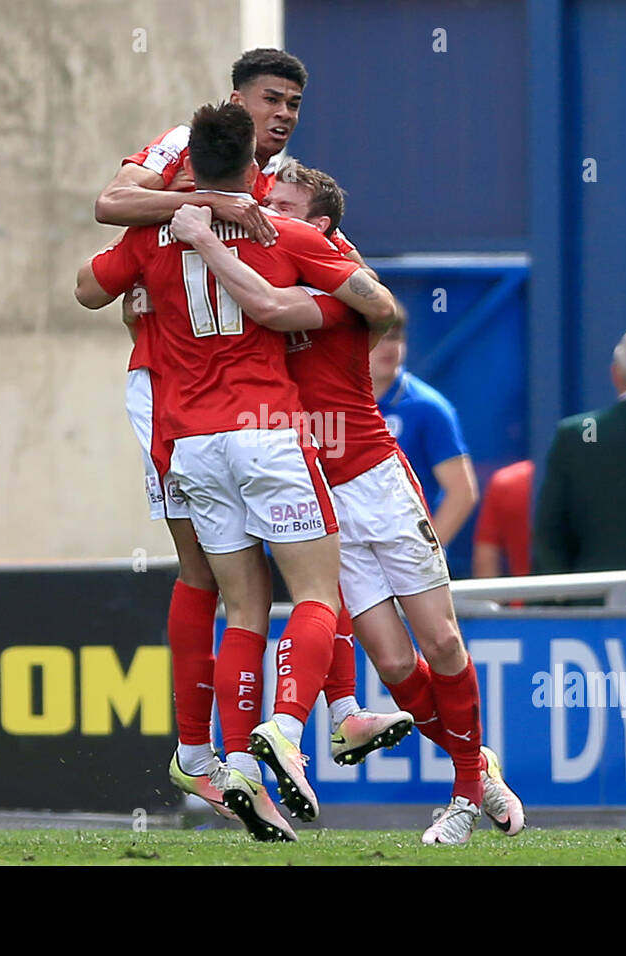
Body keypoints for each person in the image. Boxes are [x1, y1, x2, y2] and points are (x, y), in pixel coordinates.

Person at [76, 103, 398, 841]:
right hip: (266, 434)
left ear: (189, 164)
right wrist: (319, 305)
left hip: (190, 443)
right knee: (319, 588)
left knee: (239, 607)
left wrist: (145, 294)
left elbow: (86, 291)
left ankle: (232, 765)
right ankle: (287, 729)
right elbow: (376, 304)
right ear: (255, 166)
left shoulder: (152, 233)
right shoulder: (279, 231)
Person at [180, 159, 525, 845]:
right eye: (263, 199)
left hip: (375, 480)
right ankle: (473, 765)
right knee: (396, 665)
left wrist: (204, 237)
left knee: (443, 641)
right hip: (315, 496)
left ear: (319, 226)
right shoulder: (267, 271)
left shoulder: (341, 289)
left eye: (281, 204)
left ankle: (461, 794)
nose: (264, 210)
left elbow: (278, 309)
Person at [533, 329, 626, 577]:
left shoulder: (576, 435)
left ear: (615, 373)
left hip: (591, 602)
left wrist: (557, 602)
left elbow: (549, 530)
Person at [370, 313, 480, 570]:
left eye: (395, 337)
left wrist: (423, 558)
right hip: (349, 558)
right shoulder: (336, 403)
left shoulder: (427, 407)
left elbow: (462, 492)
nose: (388, 347)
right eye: (377, 338)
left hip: (404, 561)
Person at [472, 460, 534, 577]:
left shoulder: (506, 482)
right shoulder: (507, 482)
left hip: (519, 592)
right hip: (574, 590)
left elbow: (485, 562)